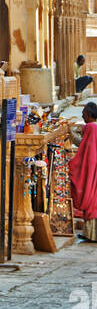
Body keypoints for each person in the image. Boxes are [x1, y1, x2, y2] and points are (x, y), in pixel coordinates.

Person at [69, 101, 97, 242]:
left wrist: (71, 133)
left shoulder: (91, 128)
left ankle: (91, 234)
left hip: (92, 171)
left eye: (84, 114)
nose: (83, 116)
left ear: (90, 114)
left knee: (92, 201)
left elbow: (86, 150)